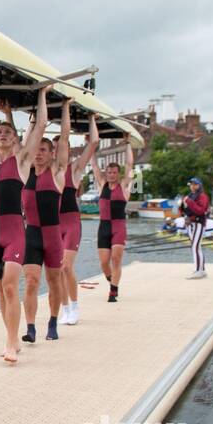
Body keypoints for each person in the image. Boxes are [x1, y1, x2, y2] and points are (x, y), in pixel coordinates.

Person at [0, 88, 48, 362]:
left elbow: (39, 125)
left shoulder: (23, 161)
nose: (2, 135)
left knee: (11, 287)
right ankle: (11, 336)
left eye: (7, 132)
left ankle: (12, 341)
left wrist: (42, 95)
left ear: (15, 139)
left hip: (15, 230)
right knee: (0, 288)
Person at [20, 94, 70, 342]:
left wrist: (65, 108)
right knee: (31, 280)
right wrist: (21, 117)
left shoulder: (58, 174)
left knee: (54, 280)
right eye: (36, 149)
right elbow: (24, 142)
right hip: (31, 234)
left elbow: (66, 139)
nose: (38, 153)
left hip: (52, 235)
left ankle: (52, 322)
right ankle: (30, 328)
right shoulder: (25, 172)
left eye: (43, 150)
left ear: (52, 154)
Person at [57, 108, 97, 327]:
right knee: (56, 270)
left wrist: (91, 120)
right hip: (53, 224)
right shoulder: (45, 169)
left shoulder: (74, 170)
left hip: (71, 222)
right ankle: (65, 309)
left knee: (66, 267)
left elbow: (92, 145)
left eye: (60, 148)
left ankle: (74, 305)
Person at [88, 130, 134, 303]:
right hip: (104, 227)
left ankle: (113, 291)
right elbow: (93, 165)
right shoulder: (102, 184)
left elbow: (130, 165)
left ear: (118, 174)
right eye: (109, 172)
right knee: (104, 263)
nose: (111, 175)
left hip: (118, 227)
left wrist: (127, 143)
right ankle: (112, 280)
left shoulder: (124, 186)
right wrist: (91, 144)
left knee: (116, 259)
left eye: (114, 172)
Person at [178, 177, 209, 279]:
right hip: (191, 223)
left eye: (194, 184)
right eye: (191, 184)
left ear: (198, 185)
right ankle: (202, 270)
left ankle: (198, 270)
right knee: (196, 247)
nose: (192, 186)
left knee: (195, 246)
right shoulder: (190, 196)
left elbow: (200, 211)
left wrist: (189, 202)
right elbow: (185, 210)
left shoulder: (203, 196)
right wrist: (182, 205)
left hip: (199, 223)